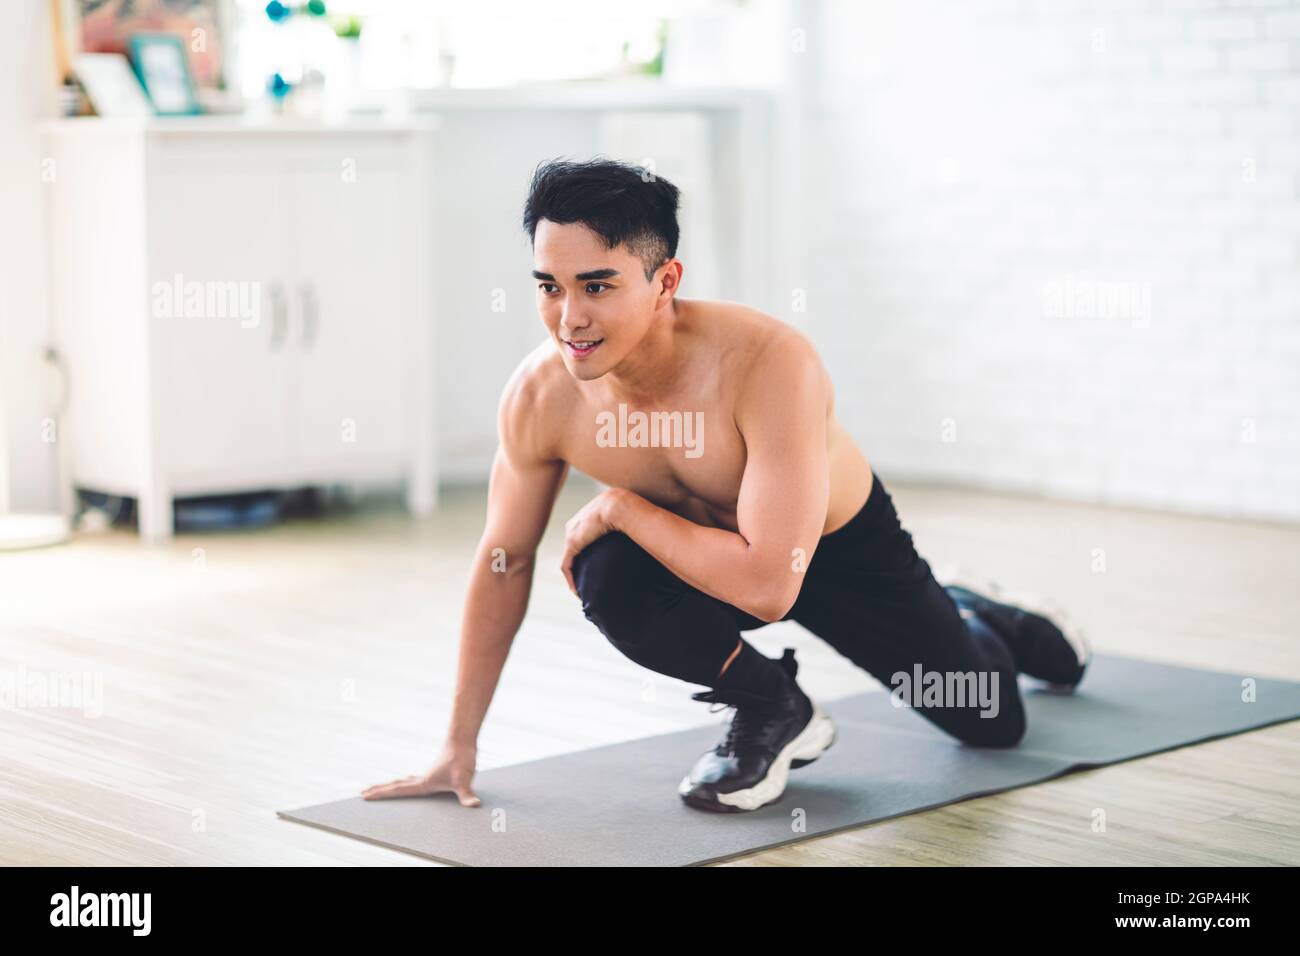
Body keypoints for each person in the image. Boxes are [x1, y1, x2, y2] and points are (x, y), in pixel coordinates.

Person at [362, 158, 1092, 814]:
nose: (569, 318)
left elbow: (772, 586)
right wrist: (458, 747)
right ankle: (770, 705)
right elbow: (505, 561)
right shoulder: (539, 397)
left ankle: (981, 615)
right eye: (549, 287)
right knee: (607, 573)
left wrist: (618, 504)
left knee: (990, 721)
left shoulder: (767, 362)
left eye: (598, 286)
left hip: (832, 553)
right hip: (710, 561)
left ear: (665, 281)